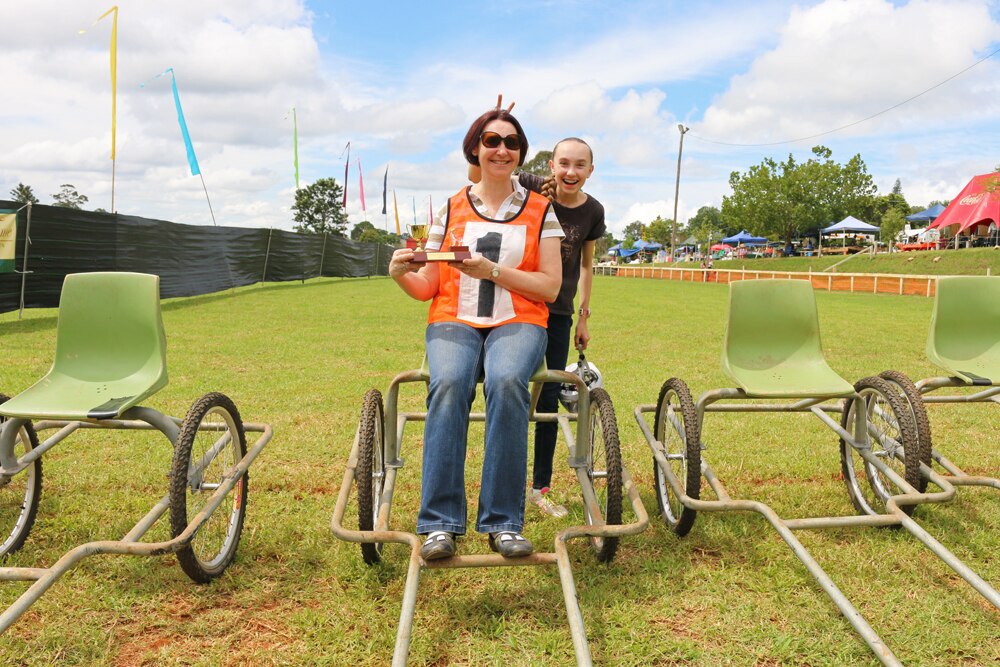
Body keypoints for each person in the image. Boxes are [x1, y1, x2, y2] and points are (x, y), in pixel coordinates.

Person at [388, 107, 563, 561]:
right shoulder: (450, 208)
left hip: (519, 320)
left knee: (507, 382)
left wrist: (493, 271)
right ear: (475, 149)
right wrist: (399, 275)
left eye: (510, 142)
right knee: (448, 382)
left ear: (520, 153)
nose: (501, 149)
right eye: (491, 141)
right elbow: (428, 283)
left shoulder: (542, 210)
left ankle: (504, 522)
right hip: (454, 317)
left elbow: (550, 286)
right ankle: (440, 525)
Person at [470, 136, 606, 518]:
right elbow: (479, 170)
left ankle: (539, 487)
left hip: (559, 312)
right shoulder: (529, 187)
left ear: (590, 171)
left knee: (547, 400)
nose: (571, 172)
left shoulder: (592, 211)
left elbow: (585, 264)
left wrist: (583, 315)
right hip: (518, 304)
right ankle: (494, 476)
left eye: (580, 165)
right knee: (500, 385)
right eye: (564, 163)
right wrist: (488, 126)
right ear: (551, 166)